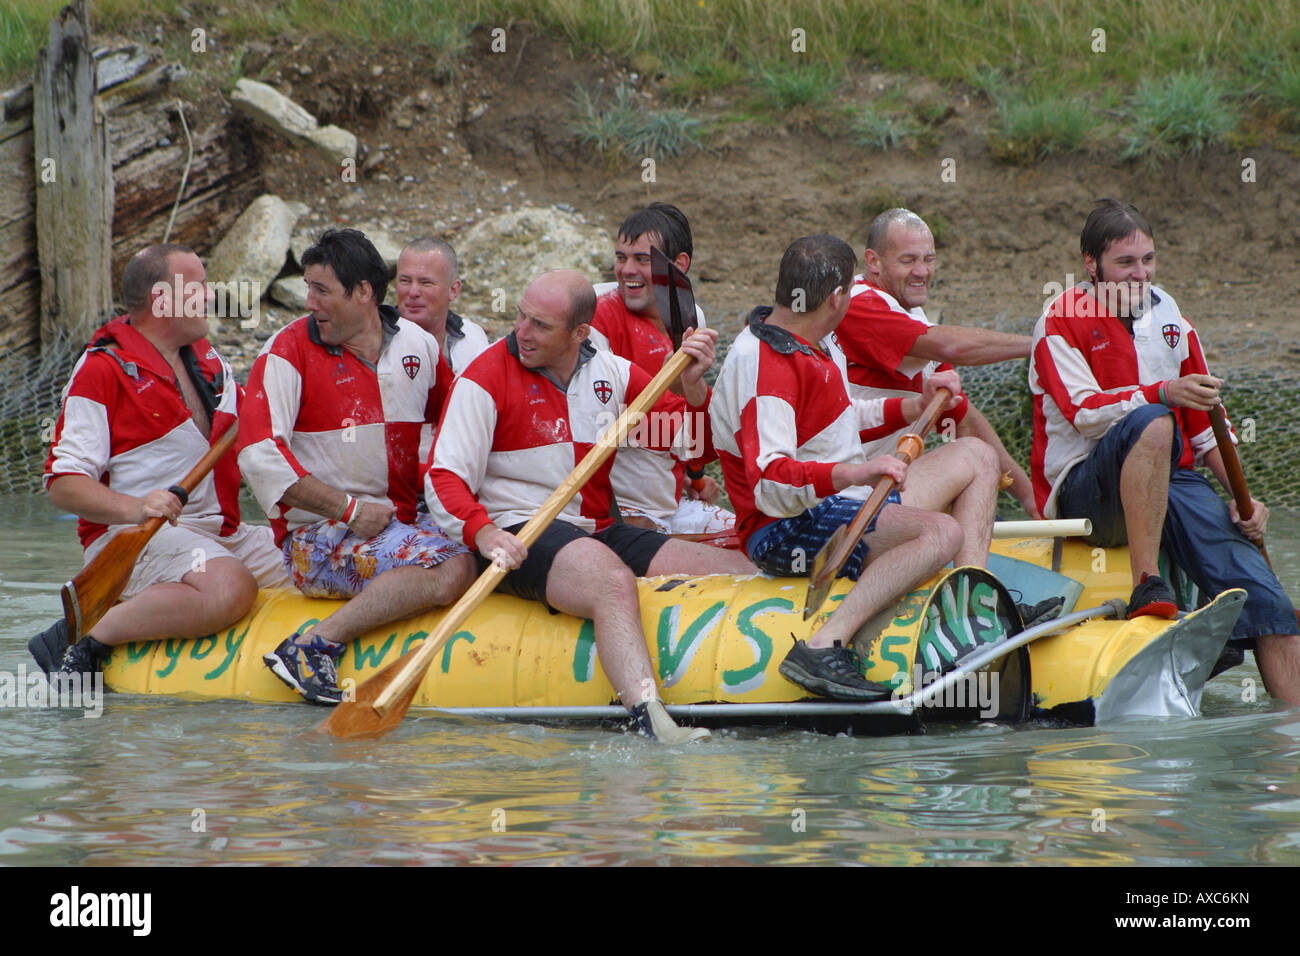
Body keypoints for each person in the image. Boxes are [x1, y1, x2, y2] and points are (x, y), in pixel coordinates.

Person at [426, 269, 757, 742]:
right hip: (516, 532)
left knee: (731, 565)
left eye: (540, 324)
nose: (521, 331)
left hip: (595, 528)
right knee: (611, 581)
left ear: (580, 332)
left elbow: (693, 445)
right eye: (520, 316)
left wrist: (693, 387)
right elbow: (444, 477)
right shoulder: (484, 377)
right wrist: (483, 533)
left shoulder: (613, 373)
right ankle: (652, 719)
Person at [1029, 198, 1300, 704]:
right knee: (1153, 421)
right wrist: (1161, 394)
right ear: (1092, 265)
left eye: (1148, 260)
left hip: (1173, 481)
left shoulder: (1170, 313)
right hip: (1088, 488)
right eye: (1125, 263)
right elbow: (1084, 413)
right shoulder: (1059, 318)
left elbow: (1204, 426)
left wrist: (1247, 503)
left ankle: (1289, 742)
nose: (1140, 274)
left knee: (1272, 606)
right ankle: (1148, 585)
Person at [711, 235, 1001, 701]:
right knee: (941, 533)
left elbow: (844, 420)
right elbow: (772, 483)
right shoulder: (766, 365)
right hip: (782, 528)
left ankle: (971, 615)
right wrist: (853, 475)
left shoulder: (817, 339)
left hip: (838, 502)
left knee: (977, 456)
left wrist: (914, 406)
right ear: (836, 298)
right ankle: (823, 645)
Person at [238, 228, 476, 705]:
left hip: (399, 523)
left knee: (483, 542)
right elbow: (258, 456)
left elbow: (459, 423)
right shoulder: (286, 352)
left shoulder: (417, 345)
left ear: (364, 292)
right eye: (308, 288)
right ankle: (310, 646)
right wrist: (349, 511)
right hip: (318, 539)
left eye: (321, 290)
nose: (308, 302)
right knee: (455, 568)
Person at [43, 244, 290, 676]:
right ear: (162, 299)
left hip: (221, 532)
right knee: (230, 587)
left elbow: (256, 434)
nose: (210, 296)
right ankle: (85, 638)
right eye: (197, 286)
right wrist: (136, 507)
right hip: (136, 535)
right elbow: (63, 483)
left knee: (313, 560)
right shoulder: (102, 370)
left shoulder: (208, 359)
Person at [838, 208, 1041, 518]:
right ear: (874, 261)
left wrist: (1029, 498)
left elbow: (965, 420)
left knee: (976, 469)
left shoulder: (910, 315)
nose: (922, 271)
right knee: (973, 462)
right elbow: (950, 346)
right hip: (841, 493)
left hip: (878, 485)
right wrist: (1041, 345)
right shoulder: (859, 304)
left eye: (928, 259)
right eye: (908, 260)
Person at [588, 202, 735, 535]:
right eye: (621, 257)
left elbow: (693, 433)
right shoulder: (596, 314)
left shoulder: (690, 315)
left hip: (667, 503)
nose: (627, 270)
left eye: (642, 259)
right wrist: (668, 387)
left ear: (678, 265)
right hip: (615, 509)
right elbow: (596, 425)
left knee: (749, 543)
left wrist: (694, 473)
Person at [394, 237, 491, 374]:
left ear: (453, 290)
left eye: (425, 282)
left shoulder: (473, 341)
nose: (413, 292)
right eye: (405, 281)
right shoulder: (375, 342)